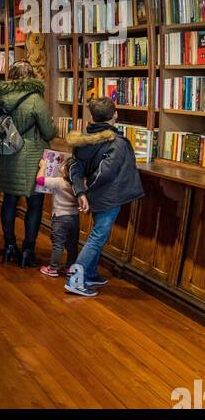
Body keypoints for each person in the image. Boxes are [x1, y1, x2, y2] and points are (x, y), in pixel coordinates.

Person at [65, 96, 144, 298]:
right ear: (115, 115)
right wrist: (86, 190)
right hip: (109, 196)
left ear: (92, 116)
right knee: (98, 236)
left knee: (97, 234)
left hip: (94, 196)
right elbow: (105, 173)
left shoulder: (84, 140)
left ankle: (90, 274)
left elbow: (75, 167)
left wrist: (81, 191)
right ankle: (75, 279)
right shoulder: (117, 142)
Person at [0, 60, 55, 267]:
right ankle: (28, 251)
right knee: (34, 204)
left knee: (9, 201)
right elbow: (49, 132)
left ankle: (9, 246)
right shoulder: (35, 99)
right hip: (31, 157)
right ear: (32, 75)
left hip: (5, 154)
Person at [37, 152, 80, 278]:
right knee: (72, 245)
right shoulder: (79, 183)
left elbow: (40, 180)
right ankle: (70, 267)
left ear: (66, 171)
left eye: (64, 164)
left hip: (60, 218)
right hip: (74, 218)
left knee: (58, 244)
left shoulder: (58, 182)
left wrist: (43, 167)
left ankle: (53, 268)